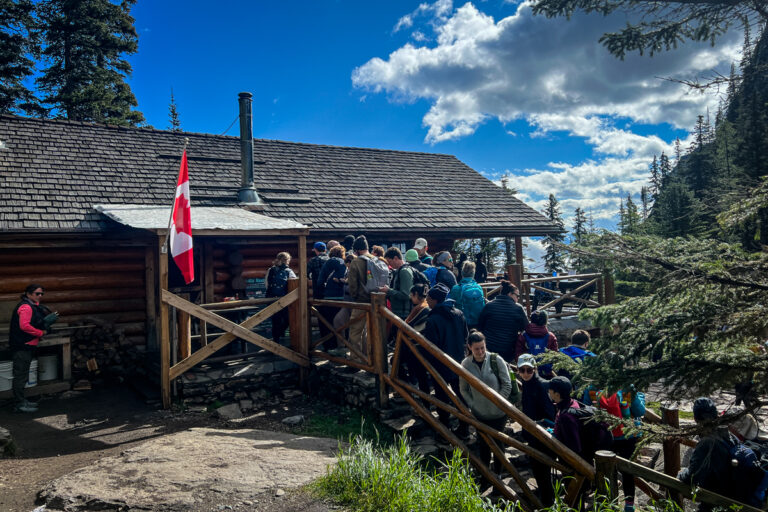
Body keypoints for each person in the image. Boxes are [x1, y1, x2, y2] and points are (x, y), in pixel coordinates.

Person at [584, 386, 646, 512]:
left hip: (604, 434)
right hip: (627, 435)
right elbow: (640, 411)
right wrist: (640, 396)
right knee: (628, 471)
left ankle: (608, 503)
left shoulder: (591, 388)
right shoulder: (626, 387)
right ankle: (629, 506)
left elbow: (586, 408)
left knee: (605, 470)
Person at [460, 330, 512, 471]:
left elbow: (507, 384)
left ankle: (499, 474)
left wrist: (498, 402)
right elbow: (463, 389)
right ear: (470, 347)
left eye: (483, 347)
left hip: (499, 414)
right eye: (477, 348)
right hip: (480, 414)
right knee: (483, 445)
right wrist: (473, 404)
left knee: (498, 445)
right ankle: (485, 476)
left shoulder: (496, 360)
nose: (481, 351)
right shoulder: (465, 364)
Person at [678, 398, 743, 510]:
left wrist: (680, 474)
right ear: (716, 415)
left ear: (695, 419)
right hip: (734, 497)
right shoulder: (728, 434)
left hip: (715, 501)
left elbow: (692, 476)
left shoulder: (707, 443)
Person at [423, 283, 469, 436]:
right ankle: (465, 427)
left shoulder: (433, 319)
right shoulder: (459, 314)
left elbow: (431, 346)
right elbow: (465, 336)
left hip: (440, 363)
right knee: (460, 395)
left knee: (442, 395)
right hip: (458, 361)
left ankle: (444, 425)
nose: (427, 301)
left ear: (435, 300)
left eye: (428, 298)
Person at [517, 353, 557, 505]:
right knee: (539, 471)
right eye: (522, 370)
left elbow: (549, 414)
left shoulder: (542, 385)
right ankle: (546, 500)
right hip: (533, 433)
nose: (526, 374)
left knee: (542, 471)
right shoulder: (527, 384)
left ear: (535, 369)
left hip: (542, 435)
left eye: (529, 370)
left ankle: (547, 503)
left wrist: (537, 426)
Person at [10, 284, 55, 413]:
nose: (40, 296)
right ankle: (18, 404)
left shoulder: (32, 306)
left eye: (42, 293)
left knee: (22, 375)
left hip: (26, 345)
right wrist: (40, 333)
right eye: (37, 293)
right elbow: (24, 326)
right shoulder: (26, 307)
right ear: (28, 294)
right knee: (20, 375)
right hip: (22, 345)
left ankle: (22, 401)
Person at [477, 280, 528, 362]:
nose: (518, 298)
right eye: (517, 296)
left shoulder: (489, 306)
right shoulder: (518, 308)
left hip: (489, 348)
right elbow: (526, 328)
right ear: (510, 294)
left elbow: (480, 326)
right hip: (508, 350)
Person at [401, 283, 432, 399]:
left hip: (416, 345)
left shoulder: (419, 308)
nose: (410, 297)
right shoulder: (428, 305)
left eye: (411, 295)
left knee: (397, 361)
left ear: (416, 294)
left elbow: (405, 325)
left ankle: (409, 388)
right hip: (427, 344)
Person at [316, 245, 347, 348]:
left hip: (328, 298)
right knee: (340, 323)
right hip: (342, 298)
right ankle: (342, 346)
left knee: (327, 323)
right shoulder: (344, 264)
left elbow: (320, 281)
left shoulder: (328, 263)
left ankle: (329, 346)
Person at [516, 310, 558, 378]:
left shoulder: (523, 336)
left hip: (528, 373)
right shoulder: (551, 336)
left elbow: (518, 355)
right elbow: (555, 356)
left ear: (531, 320)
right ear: (545, 321)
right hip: (546, 373)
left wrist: (523, 370)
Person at [548, 376, 583, 457]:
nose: (548, 391)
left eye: (550, 390)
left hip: (573, 463)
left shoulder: (566, 417)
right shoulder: (572, 402)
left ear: (557, 395)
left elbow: (574, 446)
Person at [266, 252, 297, 343]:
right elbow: (295, 285)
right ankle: (279, 334)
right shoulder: (289, 271)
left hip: (272, 298)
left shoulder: (271, 269)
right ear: (287, 260)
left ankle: (276, 340)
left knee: (275, 321)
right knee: (287, 320)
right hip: (285, 299)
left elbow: (267, 285)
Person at [449, 261, 485, 329]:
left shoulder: (456, 288)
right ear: (473, 274)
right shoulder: (479, 287)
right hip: (478, 322)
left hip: (462, 323)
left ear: (462, 273)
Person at [381, 247, 413, 320]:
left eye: (389, 262)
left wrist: (388, 291)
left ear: (395, 258)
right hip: (399, 313)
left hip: (403, 315)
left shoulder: (404, 271)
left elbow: (406, 295)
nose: (389, 265)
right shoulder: (398, 271)